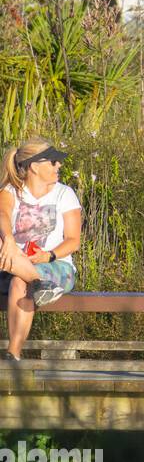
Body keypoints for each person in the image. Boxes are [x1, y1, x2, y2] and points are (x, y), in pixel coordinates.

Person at [0, 140, 81, 361]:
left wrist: (48, 255)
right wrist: (8, 239)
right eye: (53, 161)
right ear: (35, 166)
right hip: (14, 263)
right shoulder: (11, 191)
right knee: (18, 273)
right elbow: (3, 215)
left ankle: (13, 352)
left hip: (56, 266)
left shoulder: (65, 194)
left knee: (20, 281)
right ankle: (38, 283)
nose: (59, 166)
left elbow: (73, 241)